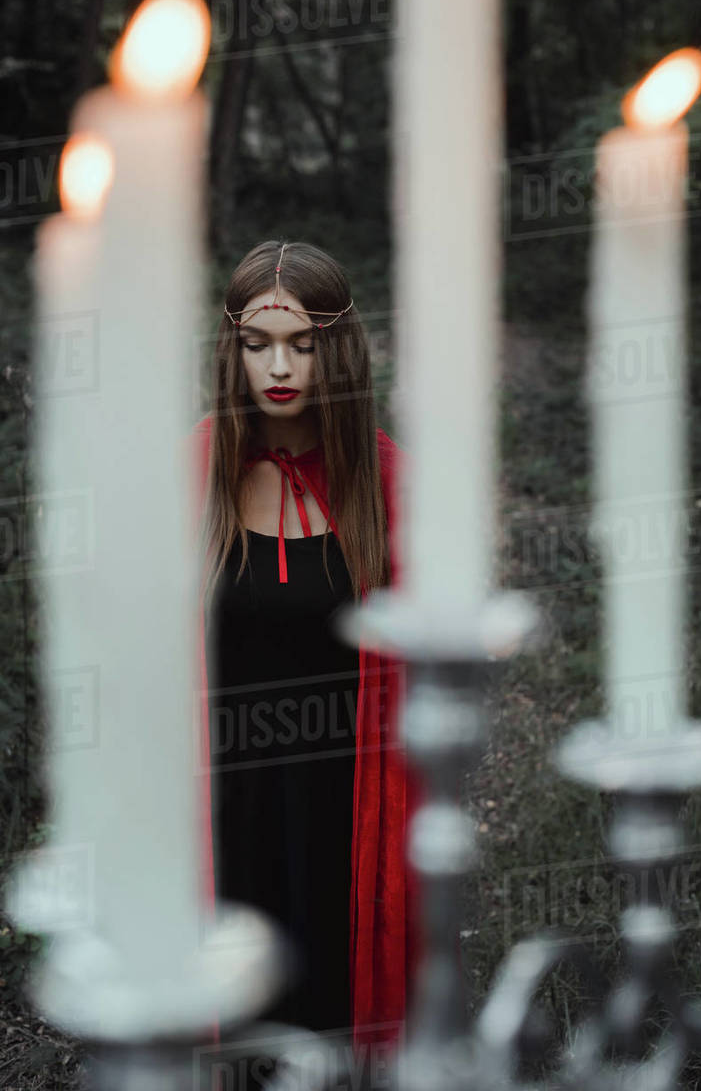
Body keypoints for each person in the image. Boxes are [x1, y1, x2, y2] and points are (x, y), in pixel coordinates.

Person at [190, 240, 422, 1073]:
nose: (279, 366)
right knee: (237, 1018)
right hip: (225, 799)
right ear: (232, 350)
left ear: (340, 348)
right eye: (258, 344)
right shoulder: (194, 472)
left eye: (303, 343)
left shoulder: (387, 480)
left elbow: (420, 672)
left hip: (345, 799)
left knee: (332, 1010)